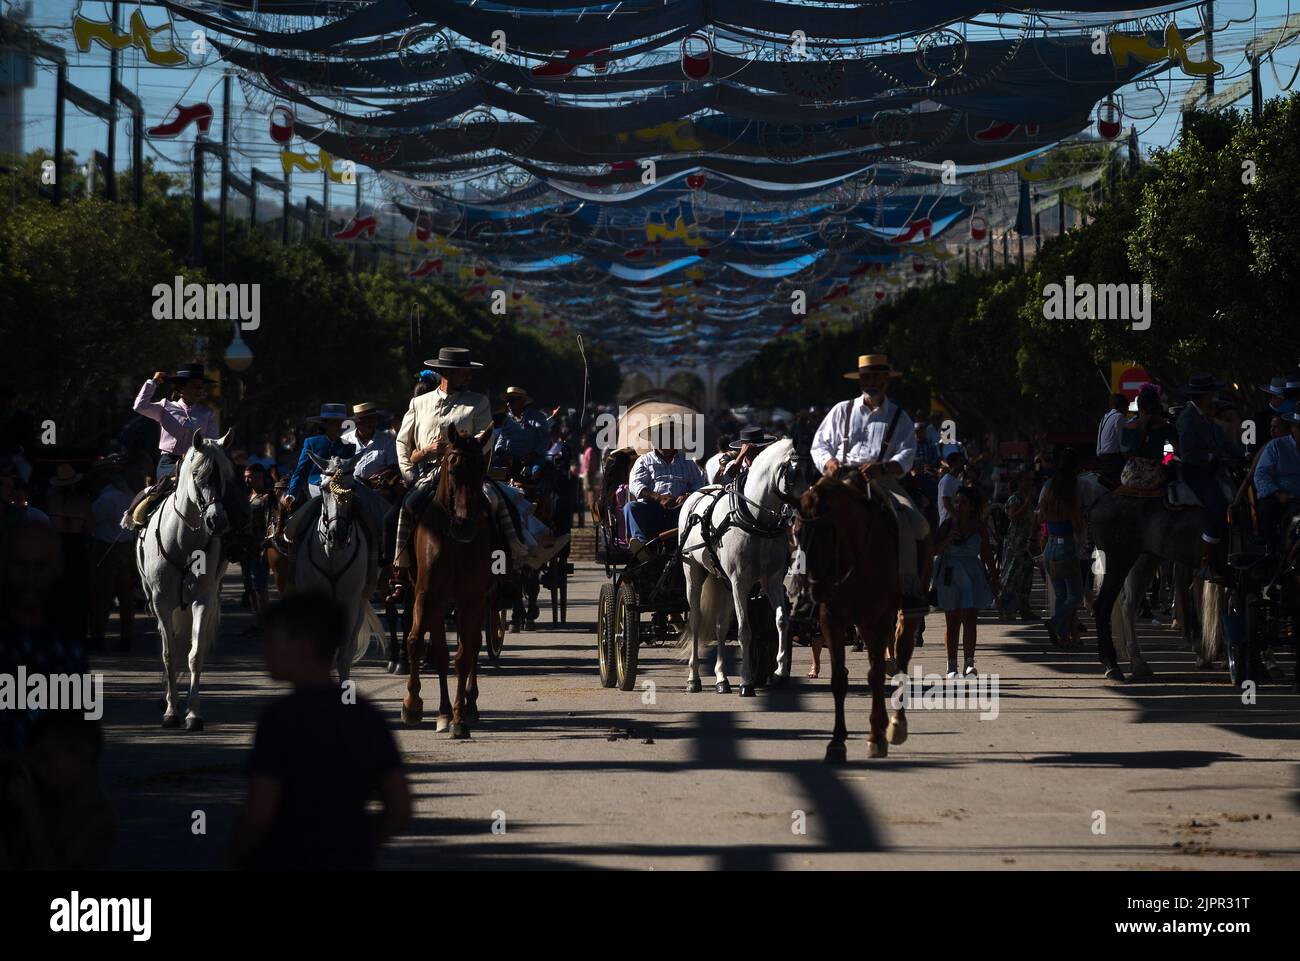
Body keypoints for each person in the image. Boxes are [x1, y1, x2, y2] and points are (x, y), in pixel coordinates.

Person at [227, 594, 411, 870]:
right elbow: (400, 808)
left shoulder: (279, 719)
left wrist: (233, 857)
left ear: (304, 647)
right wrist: (356, 842)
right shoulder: (367, 715)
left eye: (272, 640)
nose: (264, 649)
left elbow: (259, 813)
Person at [810, 353, 931, 614]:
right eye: (866, 377)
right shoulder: (841, 410)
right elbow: (819, 445)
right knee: (806, 517)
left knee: (915, 524)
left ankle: (910, 589)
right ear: (860, 380)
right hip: (840, 478)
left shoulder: (899, 417)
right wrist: (829, 462)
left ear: (887, 380)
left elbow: (907, 453)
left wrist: (884, 467)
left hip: (881, 480)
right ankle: (803, 590)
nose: (871, 381)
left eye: (876, 376)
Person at [388, 348, 492, 600]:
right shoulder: (418, 403)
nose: (468, 376)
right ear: (447, 373)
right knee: (405, 508)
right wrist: (409, 470)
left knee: (497, 505)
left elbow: (486, 437)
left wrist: (461, 450)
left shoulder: (479, 402)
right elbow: (403, 441)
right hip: (425, 473)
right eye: (463, 372)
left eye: (469, 372)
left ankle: (510, 562)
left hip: (465, 473)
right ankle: (400, 570)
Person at [2, 713, 116, 869]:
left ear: (83, 753)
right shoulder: (52, 798)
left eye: (47, 758)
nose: (41, 769)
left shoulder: (97, 818)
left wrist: (31, 814)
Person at [1176, 373, 1242, 583]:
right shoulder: (1188, 417)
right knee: (1218, 508)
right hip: (1195, 472)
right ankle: (1206, 563)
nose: (1215, 397)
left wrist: (1244, 455)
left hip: (1211, 469)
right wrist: (1212, 456)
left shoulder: (1204, 415)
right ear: (1204, 396)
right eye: (1212, 393)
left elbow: (1222, 443)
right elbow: (1188, 453)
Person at [932, 485, 996, 678]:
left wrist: (994, 576)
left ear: (971, 507)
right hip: (950, 574)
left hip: (973, 574)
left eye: (963, 503)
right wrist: (948, 540)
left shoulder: (979, 527)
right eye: (956, 501)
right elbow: (934, 549)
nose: (958, 506)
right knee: (952, 622)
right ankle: (951, 665)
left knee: (970, 620)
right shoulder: (948, 525)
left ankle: (969, 663)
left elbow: (986, 553)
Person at [1037, 449, 1094, 662]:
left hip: (1050, 543)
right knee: (1076, 596)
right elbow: (1078, 525)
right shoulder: (1073, 492)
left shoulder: (1048, 489)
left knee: (1061, 595)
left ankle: (1063, 638)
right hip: (1067, 545)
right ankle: (1055, 621)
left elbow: (1040, 516)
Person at [624, 415, 706, 555]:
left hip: (681, 511)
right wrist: (658, 497)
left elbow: (699, 485)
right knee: (631, 508)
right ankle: (643, 547)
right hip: (653, 510)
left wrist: (687, 496)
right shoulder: (644, 461)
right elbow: (635, 485)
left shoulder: (687, 462)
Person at [132, 365, 220, 481]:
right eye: (194, 386)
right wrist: (152, 383)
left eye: (201, 387)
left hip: (197, 463)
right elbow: (140, 406)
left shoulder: (207, 413)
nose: (199, 391)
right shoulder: (165, 407)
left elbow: (213, 442)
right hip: (169, 463)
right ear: (181, 389)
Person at [89, 455, 137, 652]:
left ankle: (98, 637)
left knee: (102, 596)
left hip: (107, 549)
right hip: (126, 549)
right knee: (126, 597)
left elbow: (92, 521)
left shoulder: (106, 498)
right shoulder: (128, 495)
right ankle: (126, 638)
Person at [45, 464, 94, 646]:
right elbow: (90, 528)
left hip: (57, 548)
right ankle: (77, 632)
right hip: (77, 548)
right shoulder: (82, 503)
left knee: (56, 592)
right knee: (78, 593)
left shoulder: (51, 501)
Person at [286, 404, 356, 505]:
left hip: (342, 490)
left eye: (341, 422)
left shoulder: (349, 447)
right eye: (334, 422)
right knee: (305, 516)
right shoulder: (311, 443)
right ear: (325, 424)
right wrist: (291, 494)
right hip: (316, 489)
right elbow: (301, 471)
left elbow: (350, 474)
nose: (339, 426)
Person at [1253, 409, 1300, 555]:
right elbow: (1260, 475)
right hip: (1281, 496)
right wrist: (1279, 494)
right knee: (1268, 511)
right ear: (1292, 428)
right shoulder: (1275, 446)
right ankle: (1275, 554)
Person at [1120, 384, 1177, 490]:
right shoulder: (1165, 427)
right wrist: (1165, 462)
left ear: (1139, 408)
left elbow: (1125, 452)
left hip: (1127, 477)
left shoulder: (1129, 425)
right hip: (1153, 478)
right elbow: (1175, 451)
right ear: (1157, 407)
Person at [997, 470, 1037, 619]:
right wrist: (1026, 504)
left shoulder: (1029, 498)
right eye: (1026, 480)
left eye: (1031, 481)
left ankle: (1024, 609)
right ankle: (1005, 609)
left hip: (1027, 543)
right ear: (1019, 482)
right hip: (1015, 543)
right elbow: (1013, 517)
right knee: (1011, 576)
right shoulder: (1015, 499)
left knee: (1026, 576)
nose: (1029, 484)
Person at [494, 386, 551, 473]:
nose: (508, 404)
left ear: (522, 402)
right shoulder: (507, 420)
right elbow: (499, 444)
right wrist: (503, 453)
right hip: (510, 461)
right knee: (491, 472)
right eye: (507, 401)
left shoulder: (537, 417)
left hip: (532, 460)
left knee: (535, 472)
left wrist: (532, 455)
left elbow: (545, 440)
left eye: (511, 401)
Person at [242, 464, 272, 617]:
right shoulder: (247, 496)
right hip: (246, 547)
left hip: (259, 548)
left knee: (260, 586)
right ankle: (256, 620)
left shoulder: (267, 497)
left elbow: (269, 524)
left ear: (260, 478)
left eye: (250, 477)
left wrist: (264, 544)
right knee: (250, 585)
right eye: (245, 476)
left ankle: (264, 622)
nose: (247, 479)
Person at [342, 402, 398, 483]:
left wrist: (382, 476)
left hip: (377, 488)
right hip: (349, 487)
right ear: (357, 423)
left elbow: (394, 465)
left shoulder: (387, 440)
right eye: (366, 420)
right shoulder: (345, 440)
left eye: (373, 419)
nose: (371, 422)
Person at [1096, 393, 1128, 486]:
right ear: (1122, 406)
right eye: (1127, 407)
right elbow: (1122, 441)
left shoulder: (1105, 417)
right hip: (1113, 460)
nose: (1127, 410)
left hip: (1102, 458)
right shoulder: (1119, 417)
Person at [936, 449, 966, 527]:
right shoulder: (947, 480)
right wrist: (955, 518)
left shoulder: (957, 480)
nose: (963, 464)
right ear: (954, 463)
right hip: (947, 524)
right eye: (961, 461)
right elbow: (947, 503)